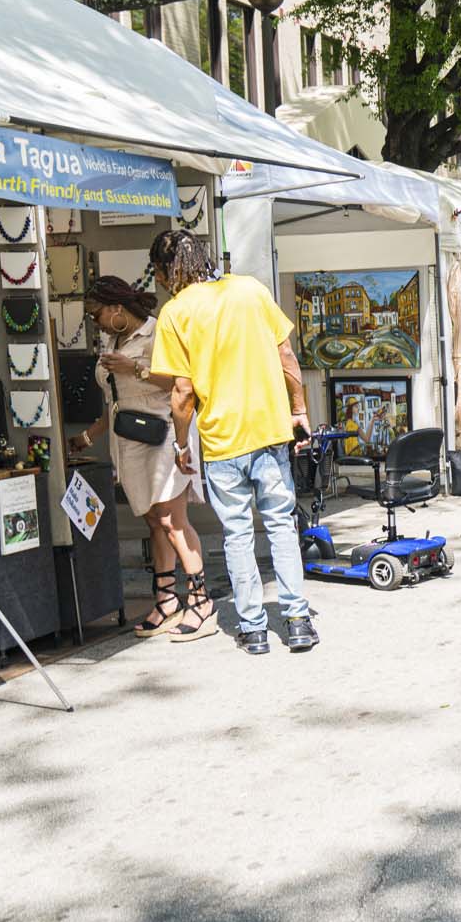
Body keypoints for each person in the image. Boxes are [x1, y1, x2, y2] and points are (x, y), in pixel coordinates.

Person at [146, 228, 319, 655]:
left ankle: (254, 629)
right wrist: (299, 409)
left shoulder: (174, 313)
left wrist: (182, 443)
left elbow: (183, 392)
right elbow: (287, 357)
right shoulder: (250, 290)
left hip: (222, 442)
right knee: (280, 525)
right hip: (269, 432)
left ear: (167, 272)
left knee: (238, 533)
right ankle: (297, 621)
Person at [68, 276, 214, 642]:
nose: (94, 321)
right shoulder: (112, 339)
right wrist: (89, 436)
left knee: (171, 519)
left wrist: (134, 368)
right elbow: (117, 400)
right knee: (154, 519)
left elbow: (181, 384)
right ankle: (166, 600)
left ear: (117, 308)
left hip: (165, 434)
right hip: (130, 439)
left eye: (96, 313)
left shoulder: (156, 331)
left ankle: (201, 601)